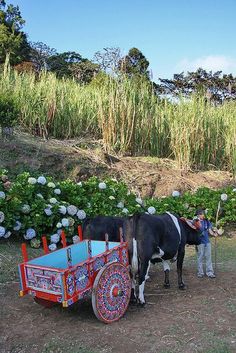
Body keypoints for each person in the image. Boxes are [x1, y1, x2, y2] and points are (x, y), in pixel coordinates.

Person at [195, 209, 217, 278]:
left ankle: (210, 272)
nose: (203, 215)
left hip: (207, 242)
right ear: (199, 215)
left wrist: (214, 234)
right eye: (202, 214)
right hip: (199, 242)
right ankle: (200, 272)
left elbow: (209, 230)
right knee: (200, 257)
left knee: (208, 257)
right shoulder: (195, 222)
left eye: (203, 214)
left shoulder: (206, 221)